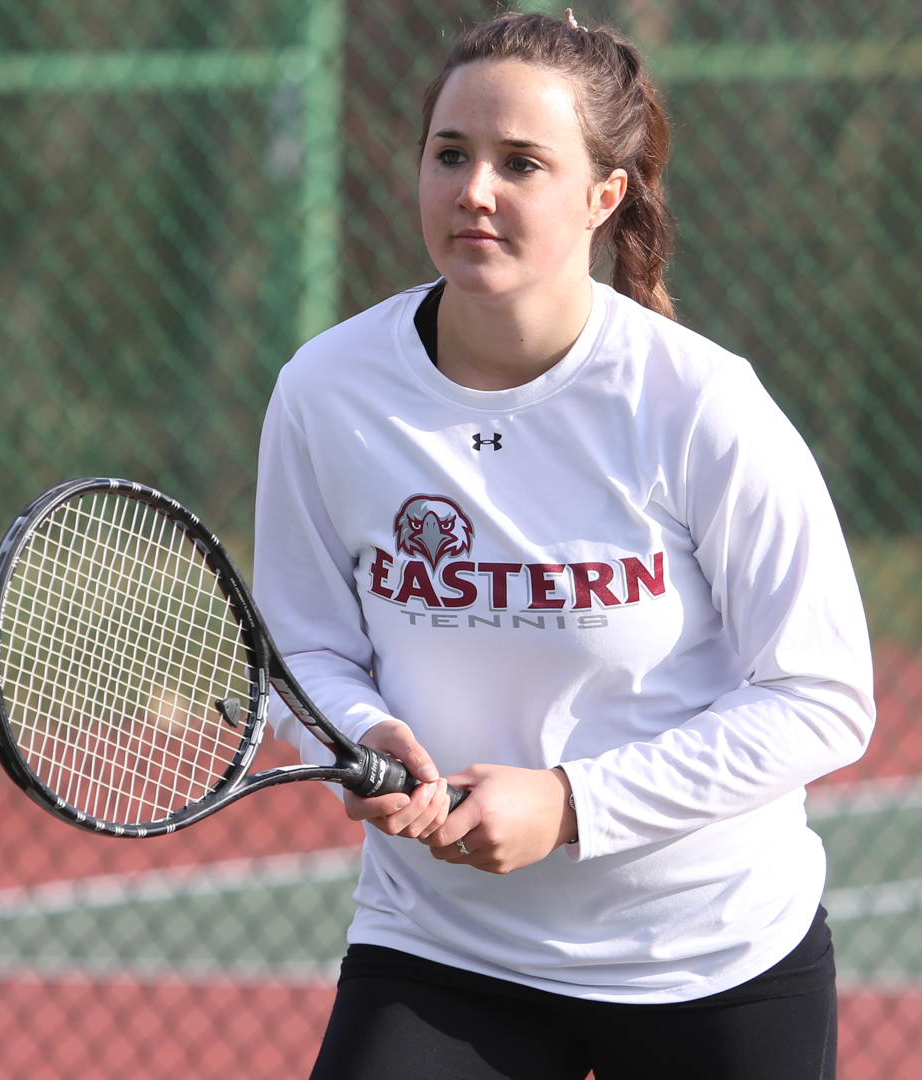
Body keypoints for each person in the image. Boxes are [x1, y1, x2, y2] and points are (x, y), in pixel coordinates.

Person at [253, 11, 873, 1079]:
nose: (474, 189)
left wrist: (574, 804)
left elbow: (823, 697)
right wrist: (364, 734)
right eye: (450, 155)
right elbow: (303, 651)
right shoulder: (326, 391)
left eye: (520, 163)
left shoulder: (698, 404)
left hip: (707, 959)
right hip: (444, 949)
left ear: (603, 195)